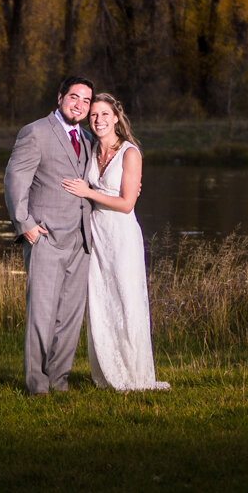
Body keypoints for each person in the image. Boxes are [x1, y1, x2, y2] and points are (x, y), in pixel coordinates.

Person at [62, 93, 169, 391]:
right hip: (97, 235)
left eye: (104, 114)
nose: (98, 120)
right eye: (93, 115)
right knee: (100, 300)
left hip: (121, 236)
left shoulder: (130, 153)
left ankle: (134, 374)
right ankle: (107, 372)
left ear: (116, 117)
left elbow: (125, 204)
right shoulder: (89, 147)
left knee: (125, 300)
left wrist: (88, 192)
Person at [4, 75, 95, 394]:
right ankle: (37, 385)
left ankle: (59, 380)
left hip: (81, 241)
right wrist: (24, 223)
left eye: (86, 100)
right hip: (45, 238)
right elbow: (15, 179)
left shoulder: (87, 139)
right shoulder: (36, 132)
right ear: (60, 98)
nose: (80, 104)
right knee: (42, 314)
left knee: (70, 316)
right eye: (74, 97)